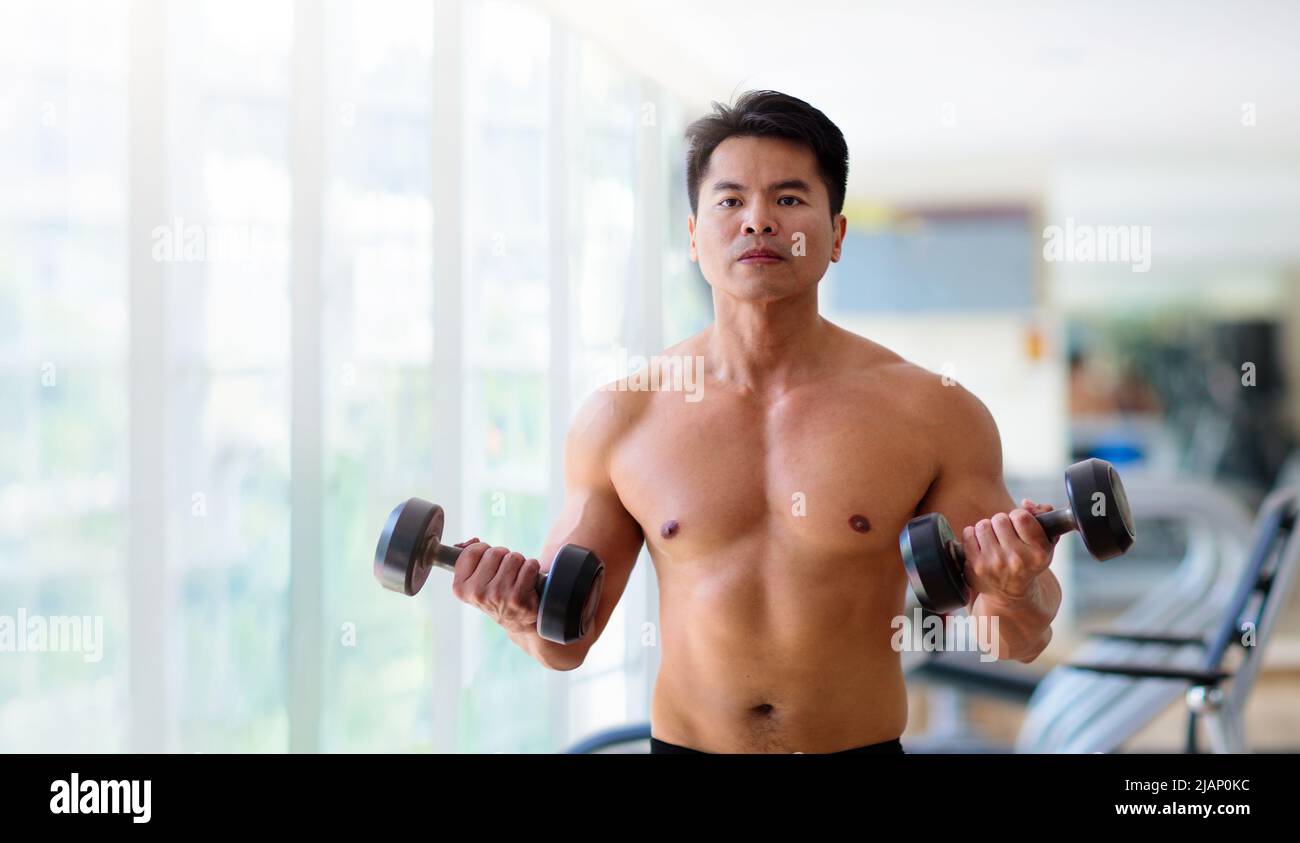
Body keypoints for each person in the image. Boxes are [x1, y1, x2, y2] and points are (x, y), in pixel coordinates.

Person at [450, 90, 1061, 754]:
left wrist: (1016, 585)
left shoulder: (933, 413)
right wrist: (514, 614)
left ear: (837, 235)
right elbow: (561, 640)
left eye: (790, 199)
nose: (759, 222)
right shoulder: (622, 417)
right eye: (730, 201)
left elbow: (1017, 638)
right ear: (692, 235)